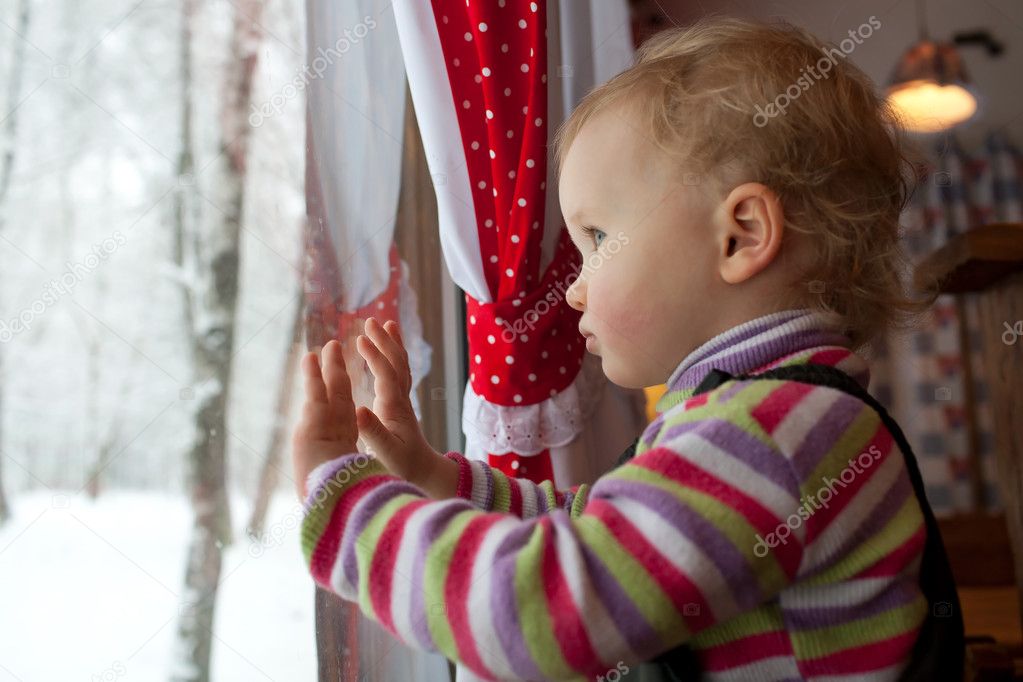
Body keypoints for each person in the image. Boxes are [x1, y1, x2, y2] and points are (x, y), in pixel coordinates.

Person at [292, 17, 957, 681]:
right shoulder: (779, 421)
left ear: (741, 235)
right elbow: (600, 529)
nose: (573, 290)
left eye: (599, 240)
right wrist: (430, 475)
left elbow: (545, 612)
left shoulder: (772, 433)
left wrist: (346, 515)